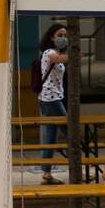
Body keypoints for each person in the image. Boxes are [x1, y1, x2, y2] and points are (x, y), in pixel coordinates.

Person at [36, 23, 68, 185]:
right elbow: (58, 59)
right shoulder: (49, 53)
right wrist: (76, 54)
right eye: (60, 35)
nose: (63, 38)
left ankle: (46, 173)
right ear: (51, 37)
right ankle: (79, 167)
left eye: (65, 35)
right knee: (71, 132)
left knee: (51, 136)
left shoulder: (57, 52)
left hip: (53, 97)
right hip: (51, 99)